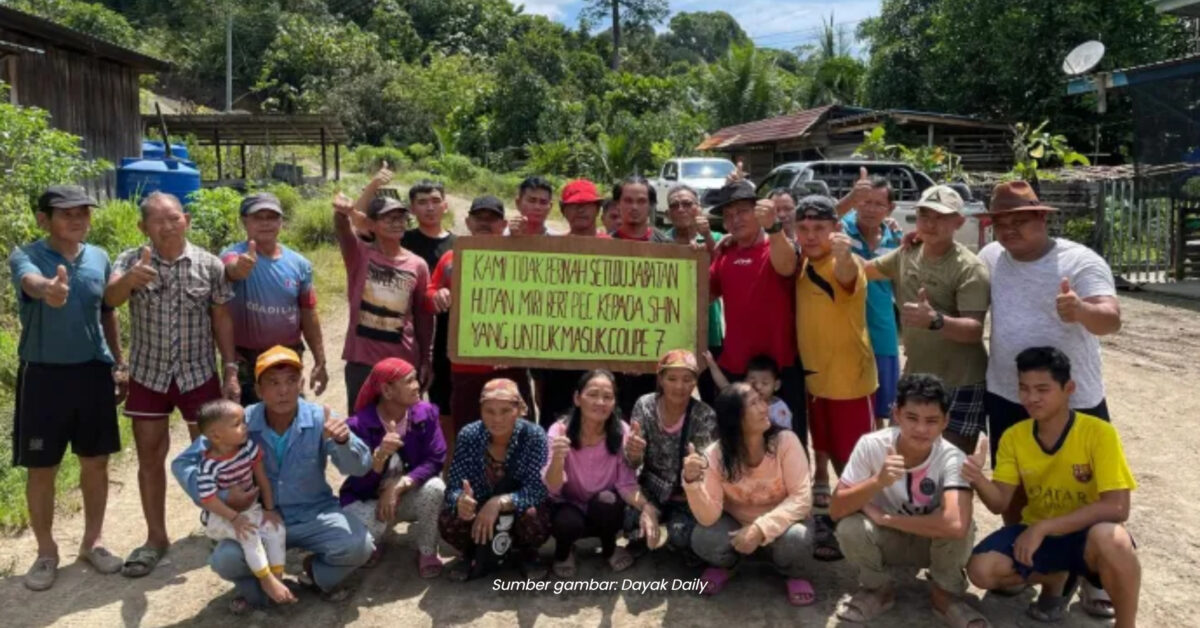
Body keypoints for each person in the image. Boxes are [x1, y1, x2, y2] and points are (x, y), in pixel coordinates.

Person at [978, 181, 1123, 617]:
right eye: (1000, 222)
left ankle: (1097, 577)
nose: (1008, 230)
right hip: (1008, 393)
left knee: (1090, 489)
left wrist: (1081, 310)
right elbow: (951, 264)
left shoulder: (1078, 260)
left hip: (1074, 399)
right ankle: (1034, 565)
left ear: (1043, 217)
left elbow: (1111, 319)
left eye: (1019, 220)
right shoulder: (991, 259)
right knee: (1016, 489)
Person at [172, 346, 374, 611]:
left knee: (359, 545)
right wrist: (221, 497)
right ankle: (258, 591)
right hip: (258, 517)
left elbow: (360, 467)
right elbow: (183, 463)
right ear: (258, 390)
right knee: (226, 559)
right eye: (274, 383)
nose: (284, 391)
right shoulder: (240, 422)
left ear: (302, 384)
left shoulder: (319, 418)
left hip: (313, 514)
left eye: (292, 381)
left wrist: (344, 440)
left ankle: (314, 574)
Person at [105, 191, 238, 578]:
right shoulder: (131, 260)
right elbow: (109, 300)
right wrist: (129, 280)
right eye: (158, 220)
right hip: (149, 374)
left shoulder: (209, 265)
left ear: (188, 220)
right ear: (142, 226)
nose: (167, 225)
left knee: (212, 455)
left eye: (174, 218)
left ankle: (219, 525)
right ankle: (155, 538)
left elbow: (222, 319)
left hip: (199, 374)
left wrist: (229, 368)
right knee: (150, 457)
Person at [965, 348, 1139, 627]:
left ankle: (1126, 624)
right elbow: (999, 503)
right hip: (1039, 535)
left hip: (1086, 538)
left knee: (1114, 540)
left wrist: (1043, 527)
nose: (1031, 398)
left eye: (1042, 389)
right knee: (981, 571)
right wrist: (976, 476)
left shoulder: (1099, 433)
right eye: (1024, 388)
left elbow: (1118, 507)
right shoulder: (1014, 436)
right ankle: (1055, 578)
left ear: (1068, 388)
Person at [9, 186, 126, 590]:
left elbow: (106, 312)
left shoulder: (98, 257)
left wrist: (119, 362)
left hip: (93, 372)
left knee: (96, 461)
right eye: (66, 214)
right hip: (44, 375)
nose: (77, 220)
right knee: (42, 468)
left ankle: (92, 542)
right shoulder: (25, 255)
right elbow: (31, 283)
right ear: (44, 219)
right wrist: (49, 290)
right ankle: (46, 553)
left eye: (83, 213)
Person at [831, 374, 985, 627]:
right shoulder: (872, 446)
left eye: (932, 421)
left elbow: (955, 525)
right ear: (897, 414)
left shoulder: (952, 457)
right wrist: (878, 482)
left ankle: (943, 596)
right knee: (850, 527)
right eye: (912, 418)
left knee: (964, 526)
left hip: (929, 543)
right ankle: (878, 590)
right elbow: (836, 509)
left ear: (945, 421)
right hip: (890, 539)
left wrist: (887, 519)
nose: (921, 429)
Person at [865, 185, 990, 454]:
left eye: (940, 217)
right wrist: (834, 245)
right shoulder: (907, 253)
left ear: (958, 221)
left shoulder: (969, 268)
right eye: (924, 215)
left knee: (953, 462)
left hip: (960, 381)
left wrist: (936, 321)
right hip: (916, 376)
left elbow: (974, 330)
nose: (930, 224)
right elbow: (865, 271)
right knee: (904, 456)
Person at [791, 194, 878, 562]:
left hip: (848, 382)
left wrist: (843, 254)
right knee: (822, 448)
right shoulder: (800, 262)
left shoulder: (848, 262)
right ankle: (836, 520)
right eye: (805, 229)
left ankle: (866, 529)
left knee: (854, 460)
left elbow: (846, 277)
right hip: (814, 380)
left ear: (835, 230)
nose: (811, 236)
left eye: (820, 229)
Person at [685, 383, 815, 606]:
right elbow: (709, 517)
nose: (765, 407)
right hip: (736, 527)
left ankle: (791, 572)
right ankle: (729, 565)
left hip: (783, 527)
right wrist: (692, 482)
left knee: (798, 539)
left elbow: (802, 500)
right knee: (703, 538)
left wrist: (759, 529)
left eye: (762, 400)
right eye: (754, 403)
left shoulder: (786, 442)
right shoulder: (714, 455)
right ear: (735, 418)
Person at [426, 195, 534, 447]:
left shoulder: (521, 257)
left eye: (492, 219)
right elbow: (429, 294)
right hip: (466, 365)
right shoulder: (451, 259)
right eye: (479, 218)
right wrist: (438, 294)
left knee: (520, 433)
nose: (485, 223)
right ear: (468, 221)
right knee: (469, 431)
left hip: (511, 363)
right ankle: (471, 485)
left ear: (503, 224)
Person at [704, 180, 806, 435]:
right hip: (736, 368)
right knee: (736, 445)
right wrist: (694, 259)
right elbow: (704, 295)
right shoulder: (725, 255)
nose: (735, 220)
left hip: (779, 370)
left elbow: (786, 265)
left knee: (788, 444)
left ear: (759, 211)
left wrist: (773, 228)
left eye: (742, 211)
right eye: (728, 215)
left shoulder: (778, 245)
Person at [340, 358, 447, 578]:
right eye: (409, 381)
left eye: (415, 379)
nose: (417, 385)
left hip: (406, 496)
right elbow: (358, 486)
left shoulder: (425, 414)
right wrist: (379, 458)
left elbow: (436, 459)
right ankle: (375, 541)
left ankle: (427, 551)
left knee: (435, 488)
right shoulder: (358, 426)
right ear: (387, 391)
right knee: (353, 536)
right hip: (371, 501)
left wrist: (398, 486)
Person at [221, 192, 327, 405]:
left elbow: (308, 312)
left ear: (281, 222)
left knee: (290, 415)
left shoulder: (299, 264)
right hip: (246, 359)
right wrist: (238, 269)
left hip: (287, 357)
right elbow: (231, 269)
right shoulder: (232, 255)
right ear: (244, 221)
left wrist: (320, 361)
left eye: (272, 217)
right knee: (247, 423)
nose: (265, 223)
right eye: (258, 217)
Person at [440, 379, 551, 581]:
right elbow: (453, 487)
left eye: (505, 411)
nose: (497, 419)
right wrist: (461, 502)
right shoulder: (469, 435)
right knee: (450, 517)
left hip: (516, 510)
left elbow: (538, 489)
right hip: (479, 511)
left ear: (520, 410)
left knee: (534, 515)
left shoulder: (534, 436)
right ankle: (471, 553)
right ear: (481, 411)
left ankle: (526, 553)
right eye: (489, 411)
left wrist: (499, 503)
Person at [333, 192, 433, 415]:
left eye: (401, 217)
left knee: (405, 428)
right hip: (362, 362)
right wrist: (342, 211)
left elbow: (423, 315)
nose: (397, 223)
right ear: (371, 224)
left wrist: (426, 359)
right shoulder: (358, 254)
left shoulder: (418, 265)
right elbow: (342, 228)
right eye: (389, 218)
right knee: (362, 428)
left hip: (403, 360)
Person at [543, 370, 652, 577]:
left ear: (614, 403)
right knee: (567, 521)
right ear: (577, 398)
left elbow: (626, 484)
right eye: (592, 395)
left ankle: (609, 547)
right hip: (568, 507)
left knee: (609, 501)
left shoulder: (621, 430)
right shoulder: (559, 431)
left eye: (607, 397)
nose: (600, 402)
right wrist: (558, 458)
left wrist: (647, 508)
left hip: (601, 510)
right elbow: (552, 487)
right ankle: (564, 551)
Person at [189, 400, 293, 605]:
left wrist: (269, 509)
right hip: (223, 517)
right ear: (216, 436)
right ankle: (267, 581)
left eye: (243, 421)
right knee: (250, 535)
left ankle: (278, 579)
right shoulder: (208, 465)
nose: (245, 426)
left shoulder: (248, 449)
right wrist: (235, 518)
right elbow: (208, 499)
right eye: (237, 424)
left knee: (276, 529)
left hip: (251, 510)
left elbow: (262, 480)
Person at [623, 350, 717, 555]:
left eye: (687, 379)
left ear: (695, 382)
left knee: (682, 537)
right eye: (672, 378)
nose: (679, 386)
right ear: (661, 380)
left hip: (684, 496)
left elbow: (704, 469)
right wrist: (634, 453)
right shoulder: (645, 405)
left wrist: (695, 468)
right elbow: (633, 464)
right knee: (630, 524)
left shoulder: (705, 415)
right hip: (651, 490)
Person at [534, 180, 610, 422]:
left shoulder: (619, 249)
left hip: (605, 352)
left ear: (598, 209)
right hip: (558, 356)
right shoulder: (550, 250)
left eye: (588, 205)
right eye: (574, 205)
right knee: (555, 425)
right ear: (563, 210)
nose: (581, 210)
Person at [836, 170, 903, 427]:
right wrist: (849, 199)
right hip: (847, 331)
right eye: (865, 201)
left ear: (891, 208)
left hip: (884, 331)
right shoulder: (842, 226)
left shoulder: (895, 238)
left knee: (885, 407)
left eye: (878, 204)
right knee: (852, 405)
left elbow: (899, 283)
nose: (870, 209)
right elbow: (819, 219)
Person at [608, 175, 674, 412]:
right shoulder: (602, 247)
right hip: (612, 355)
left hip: (655, 356)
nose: (634, 207)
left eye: (641, 200)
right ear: (617, 205)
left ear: (651, 205)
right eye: (627, 200)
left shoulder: (669, 249)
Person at [401, 179, 456, 438]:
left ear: (445, 205)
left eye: (435, 201)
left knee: (442, 407)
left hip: (446, 338)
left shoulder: (460, 247)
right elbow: (362, 228)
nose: (430, 208)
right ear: (412, 208)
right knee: (407, 403)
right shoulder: (400, 239)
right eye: (422, 202)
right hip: (408, 336)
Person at [665, 185, 724, 372]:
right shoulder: (661, 242)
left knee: (709, 385)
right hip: (670, 326)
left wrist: (706, 236)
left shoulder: (716, 238)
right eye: (674, 205)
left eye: (687, 203)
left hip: (708, 328)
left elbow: (722, 269)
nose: (681, 209)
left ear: (698, 208)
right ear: (667, 213)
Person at [704, 352, 792, 430]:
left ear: (776, 385)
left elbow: (784, 435)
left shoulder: (779, 409)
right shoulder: (741, 399)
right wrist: (711, 363)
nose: (758, 386)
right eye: (753, 382)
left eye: (765, 383)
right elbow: (724, 385)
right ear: (744, 382)